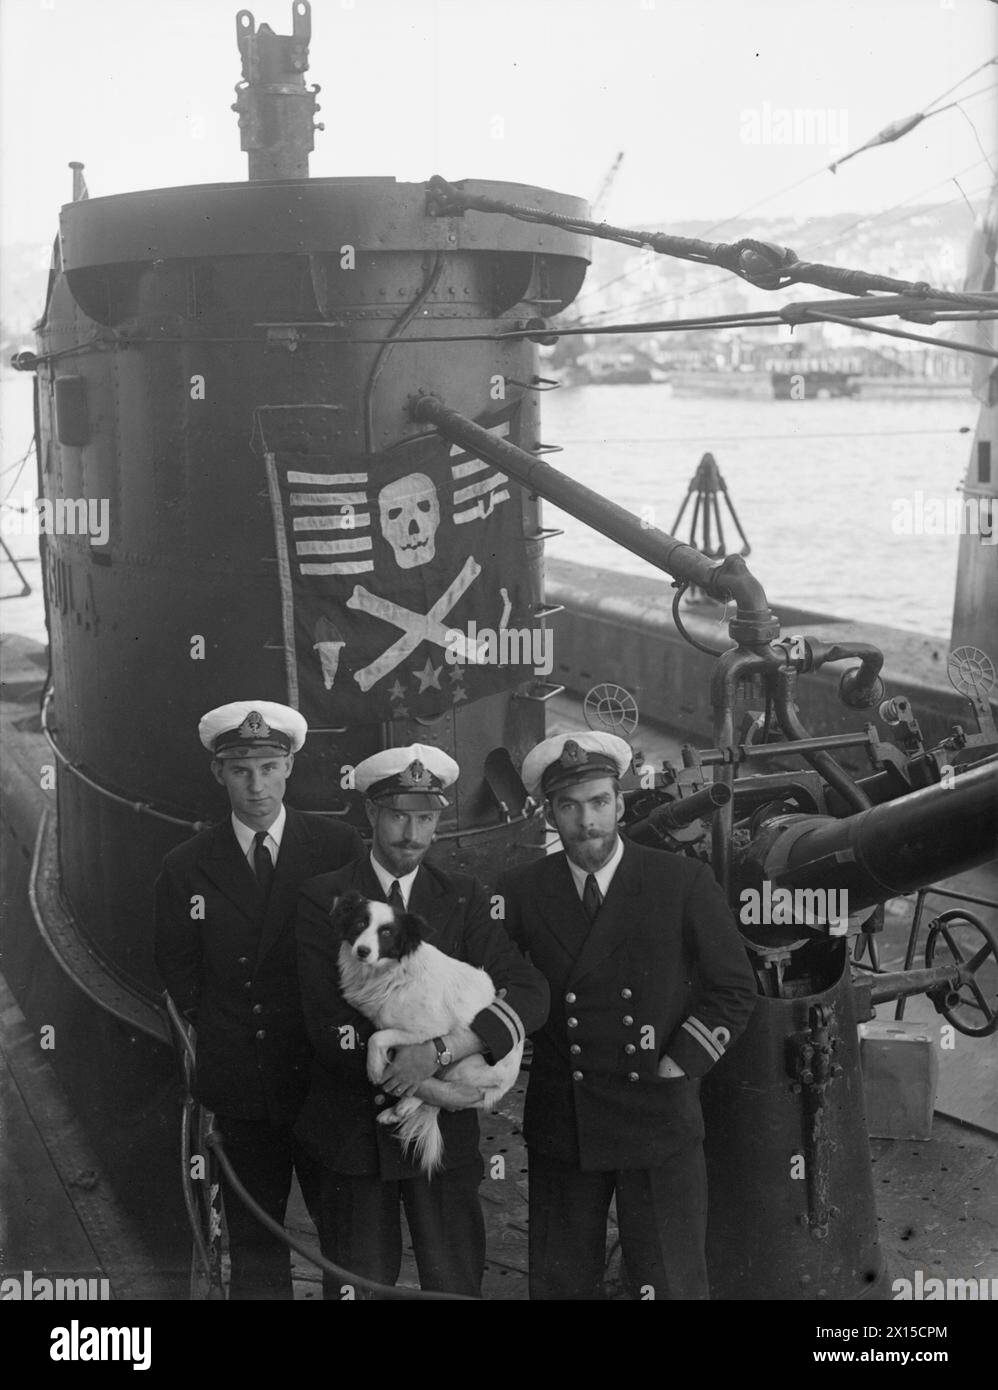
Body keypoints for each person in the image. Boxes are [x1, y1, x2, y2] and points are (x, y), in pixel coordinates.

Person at [495, 731, 757, 1301]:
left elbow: (735, 987)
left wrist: (681, 1062)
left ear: (619, 801)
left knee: (671, 1282)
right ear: (550, 813)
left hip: (658, 1116)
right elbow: (497, 985)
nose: (585, 820)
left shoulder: (680, 882)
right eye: (568, 806)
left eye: (597, 802)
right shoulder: (521, 890)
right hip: (567, 1114)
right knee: (562, 1283)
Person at [295, 743, 549, 1298]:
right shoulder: (324, 899)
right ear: (372, 815)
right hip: (351, 1138)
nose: (412, 833)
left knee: (453, 1283)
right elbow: (327, 1023)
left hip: (443, 1143)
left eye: (426, 818)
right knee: (360, 1286)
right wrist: (420, 1080)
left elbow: (528, 991)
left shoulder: (462, 897)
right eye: (398, 816)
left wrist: (442, 1053)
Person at [154, 700, 364, 1300]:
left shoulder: (337, 847)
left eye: (269, 767)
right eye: (241, 769)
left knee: (345, 1244)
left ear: (290, 767)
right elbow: (178, 973)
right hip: (245, 1087)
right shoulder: (187, 867)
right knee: (256, 1246)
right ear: (218, 773)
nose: (256, 784)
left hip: (327, 1083)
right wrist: (224, 1047)